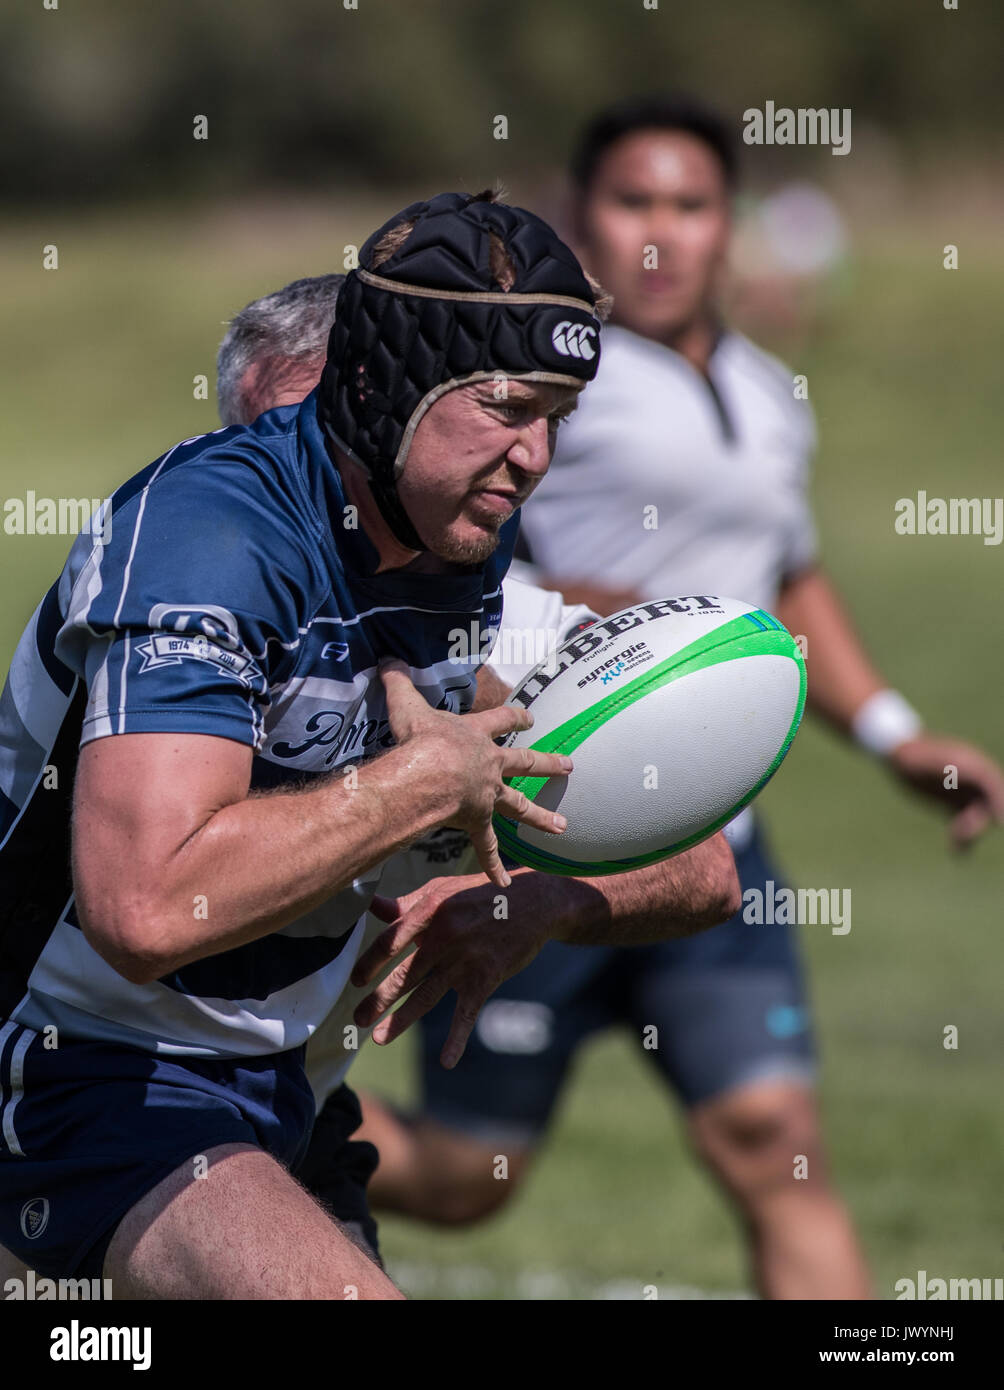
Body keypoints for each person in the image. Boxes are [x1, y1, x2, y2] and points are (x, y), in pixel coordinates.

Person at [0, 190, 740, 1300]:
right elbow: (144, 911)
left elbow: (706, 863)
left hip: (287, 1096)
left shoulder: (470, 575)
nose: (534, 454)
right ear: (384, 389)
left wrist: (536, 905)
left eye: (557, 415)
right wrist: (411, 785)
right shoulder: (207, 542)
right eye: (502, 406)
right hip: (81, 1071)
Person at [331, 99, 1002, 1302]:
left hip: (710, 835)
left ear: (725, 228)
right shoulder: (543, 379)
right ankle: (196, 1148)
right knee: (465, 1179)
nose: (659, 235)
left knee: (777, 1150)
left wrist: (896, 736)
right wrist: (566, 601)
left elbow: (785, 591)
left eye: (688, 205)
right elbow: (436, 554)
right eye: (631, 202)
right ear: (580, 218)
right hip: (538, 820)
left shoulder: (770, 393)